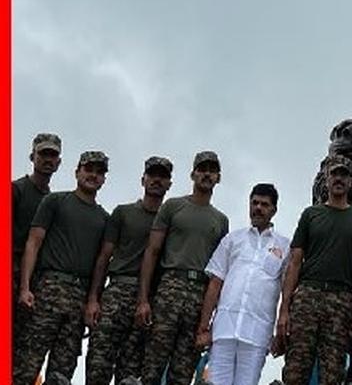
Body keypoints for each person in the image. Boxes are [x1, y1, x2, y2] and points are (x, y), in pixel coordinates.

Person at [14, 150, 110, 385]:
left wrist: (92, 300)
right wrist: (25, 288)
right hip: (47, 291)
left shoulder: (104, 218)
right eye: (88, 169)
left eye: (99, 172)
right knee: (26, 366)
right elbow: (33, 243)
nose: (93, 175)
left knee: (61, 373)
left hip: (79, 300)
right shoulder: (55, 201)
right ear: (77, 171)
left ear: (104, 179)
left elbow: (101, 263)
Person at [277, 154, 352, 385]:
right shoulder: (311, 215)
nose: (339, 179)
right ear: (326, 179)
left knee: (332, 371)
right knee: (295, 369)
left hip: (341, 301)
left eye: (344, 175)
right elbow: (295, 262)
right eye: (334, 174)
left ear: (351, 182)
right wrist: (284, 310)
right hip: (308, 295)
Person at [137, 150, 230, 385]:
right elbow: (152, 251)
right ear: (193, 174)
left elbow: (219, 271)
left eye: (211, 170)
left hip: (199, 294)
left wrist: (208, 320)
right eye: (202, 169)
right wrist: (144, 299)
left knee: (183, 370)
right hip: (170, 287)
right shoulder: (173, 206)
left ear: (218, 177)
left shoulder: (220, 220)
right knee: (152, 365)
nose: (206, 174)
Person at [84, 155, 173, 385]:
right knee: (98, 365)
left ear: (169, 184)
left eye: (162, 177)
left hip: (149, 300)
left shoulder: (172, 221)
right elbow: (104, 257)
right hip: (117, 292)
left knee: (131, 373)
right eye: (152, 175)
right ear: (143, 179)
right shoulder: (123, 213)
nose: (157, 180)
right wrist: (94, 299)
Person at [195, 183, 291, 385]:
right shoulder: (233, 239)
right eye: (254, 203)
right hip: (224, 329)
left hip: (257, 333)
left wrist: (280, 330)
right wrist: (204, 327)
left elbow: (287, 290)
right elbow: (215, 283)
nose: (258, 208)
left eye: (264, 204)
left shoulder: (283, 246)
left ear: (274, 210)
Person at [13, 133, 63, 307]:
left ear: (59, 162)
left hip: (35, 279)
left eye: (53, 155)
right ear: (32, 157)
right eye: (43, 154)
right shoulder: (15, 190)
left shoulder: (53, 201)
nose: (48, 159)